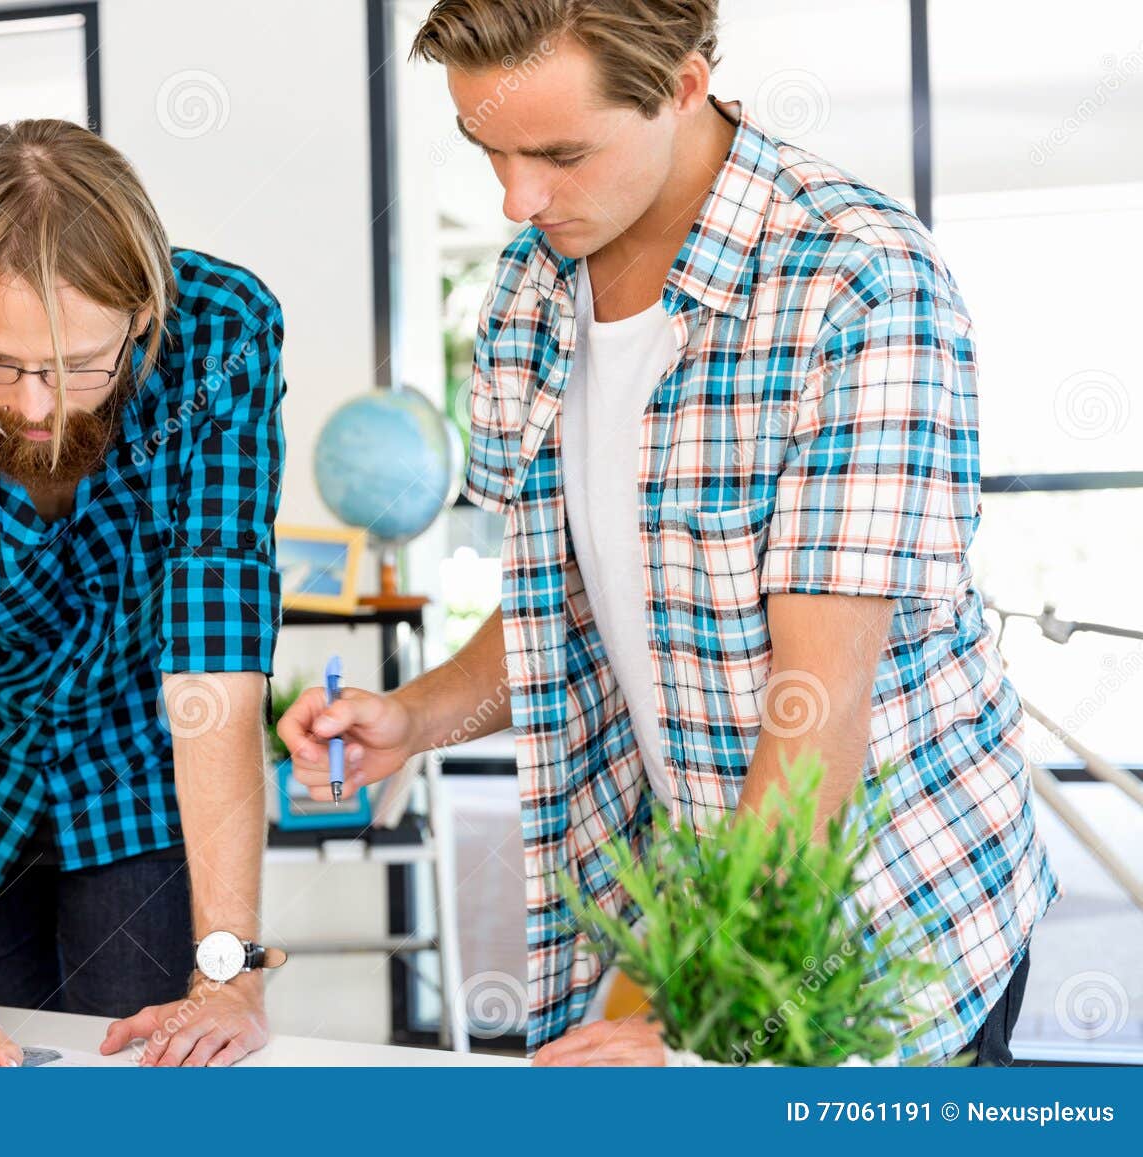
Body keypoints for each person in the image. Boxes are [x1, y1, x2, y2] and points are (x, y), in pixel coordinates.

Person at [279, 0, 1055, 1066]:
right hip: (685, 905)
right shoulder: (527, 290)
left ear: (685, 85)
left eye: (557, 152)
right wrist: (413, 719)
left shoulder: (855, 282)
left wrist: (698, 1011)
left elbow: (815, 707)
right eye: (485, 147)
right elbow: (562, 607)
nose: (515, 198)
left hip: (880, 922)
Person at [0, 119, 286, 1068]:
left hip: (140, 759)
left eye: (77, 365)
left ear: (143, 314)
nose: (35, 407)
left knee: (154, 1060)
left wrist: (230, 966)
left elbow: (217, 669)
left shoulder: (223, 341)